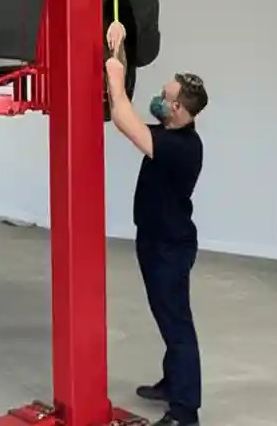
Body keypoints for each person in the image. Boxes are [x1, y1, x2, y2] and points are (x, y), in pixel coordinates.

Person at [104, 21, 209, 426]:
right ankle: (172, 383)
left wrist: (114, 74)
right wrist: (119, 48)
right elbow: (126, 107)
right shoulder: (169, 132)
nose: (159, 100)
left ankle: (185, 411)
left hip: (170, 247)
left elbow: (122, 119)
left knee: (177, 323)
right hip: (155, 240)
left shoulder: (181, 147)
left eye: (166, 98)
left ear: (180, 108)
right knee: (166, 316)